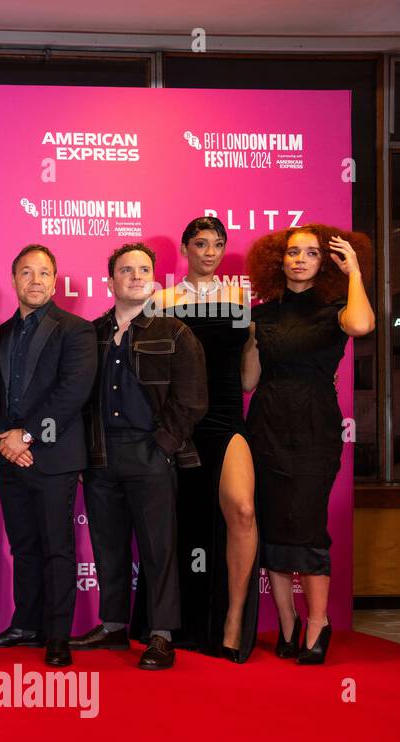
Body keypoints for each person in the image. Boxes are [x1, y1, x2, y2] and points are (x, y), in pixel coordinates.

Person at [70, 243, 208, 671]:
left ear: (153, 279)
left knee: (159, 548)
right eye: (125, 270)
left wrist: (163, 446)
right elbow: (76, 399)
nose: (135, 275)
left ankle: (161, 635)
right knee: (108, 545)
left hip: (150, 452)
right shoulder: (89, 333)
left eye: (143, 269)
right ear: (110, 280)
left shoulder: (174, 332)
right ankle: (112, 625)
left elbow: (192, 399)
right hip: (100, 455)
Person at [244, 225, 374, 665]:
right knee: (274, 526)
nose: (300, 259)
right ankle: (287, 622)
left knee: (306, 524)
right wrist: (246, 339)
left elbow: (362, 323)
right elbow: (248, 380)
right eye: (293, 252)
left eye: (312, 253)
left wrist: (354, 271)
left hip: (315, 428)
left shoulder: (335, 309)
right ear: (278, 260)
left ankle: (318, 623)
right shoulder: (260, 315)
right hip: (265, 426)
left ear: (326, 262)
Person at [0, 244, 97, 667]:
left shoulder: (77, 331)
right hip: (11, 459)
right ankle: (26, 624)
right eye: (26, 273)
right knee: (24, 546)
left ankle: (57, 635)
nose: (35, 280)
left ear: (55, 280)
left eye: (44, 273)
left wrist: (25, 437)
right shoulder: (1, 333)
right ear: (14, 280)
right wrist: (4, 439)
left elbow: (72, 394)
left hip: (53, 458)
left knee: (57, 547)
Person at [151, 217, 259, 662]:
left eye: (218, 244)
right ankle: (174, 625)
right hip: (179, 422)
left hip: (227, 419)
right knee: (177, 523)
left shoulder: (242, 301)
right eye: (201, 244)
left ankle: (233, 620)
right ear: (185, 248)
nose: (210, 252)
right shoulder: (161, 301)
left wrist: (259, 346)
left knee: (243, 509)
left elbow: (249, 378)